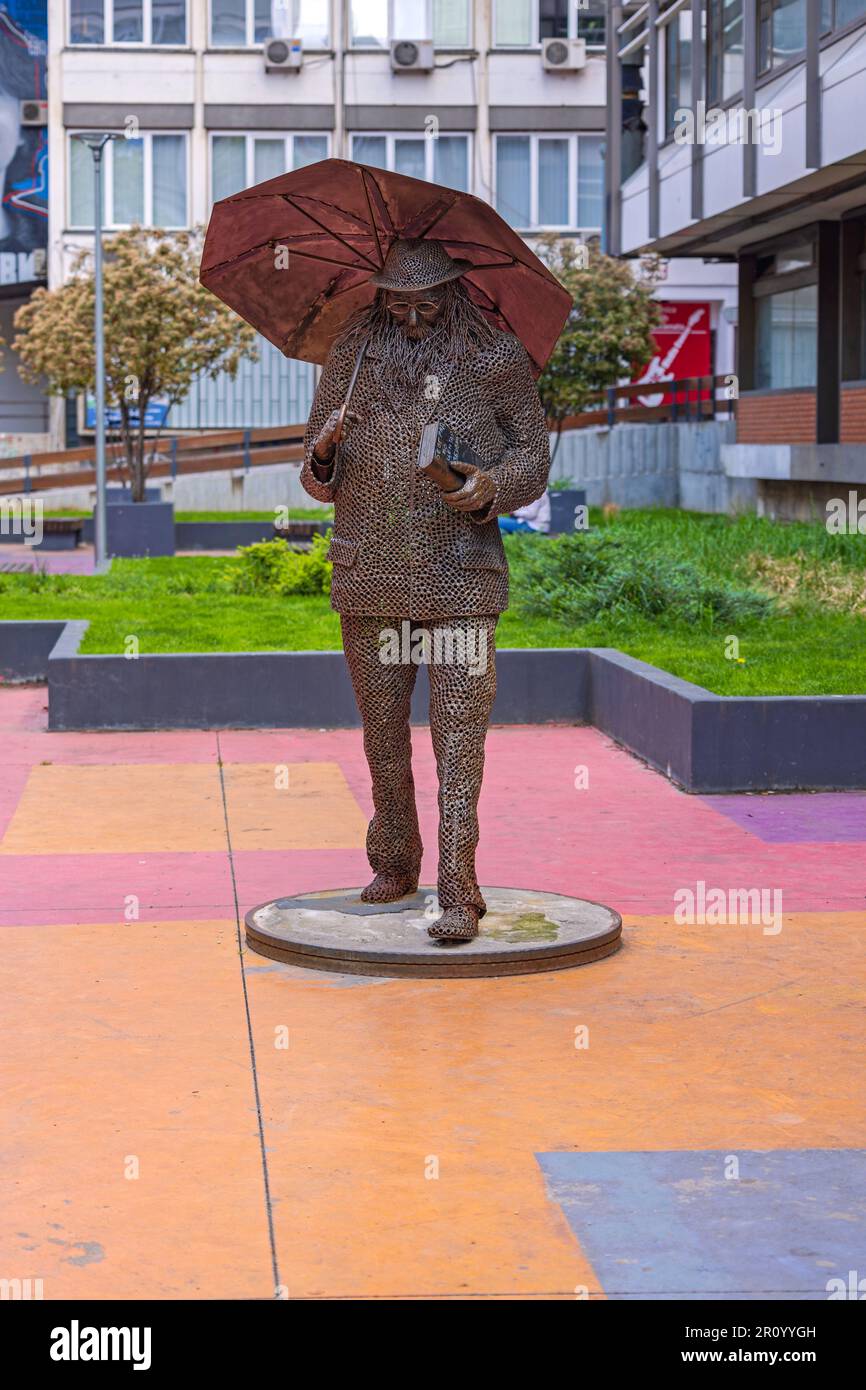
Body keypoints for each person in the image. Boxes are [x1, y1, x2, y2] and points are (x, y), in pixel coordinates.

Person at [301, 238, 550, 941]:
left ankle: (460, 891)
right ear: (380, 299)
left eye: (427, 309)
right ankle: (394, 861)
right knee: (383, 738)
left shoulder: (494, 359)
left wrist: (488, 485)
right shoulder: (350, 358)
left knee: (460, 742)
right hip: (368, 573)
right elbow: (315, 479)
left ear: (455, 297)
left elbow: (532, 453)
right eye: (399, 307)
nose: (412, 322)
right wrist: (324, 447)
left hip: (462, 574)